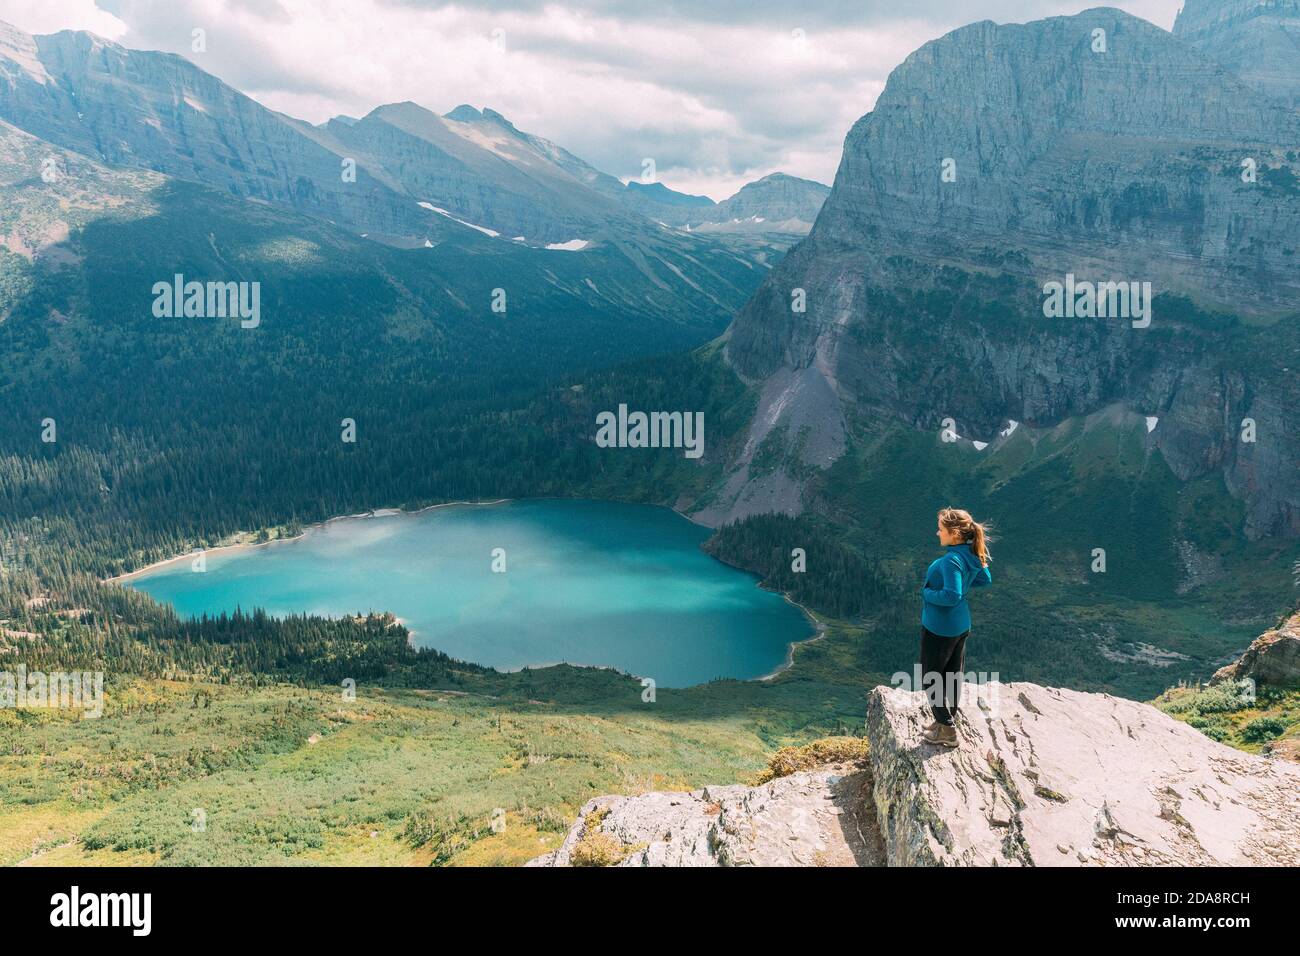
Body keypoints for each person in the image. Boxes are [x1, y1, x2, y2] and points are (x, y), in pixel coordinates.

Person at [919, 507, 992, 747]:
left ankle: (947, 730)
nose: (936, 532)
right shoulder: (969, 554)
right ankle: (944, 721)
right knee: (952, 676)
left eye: (940, 529)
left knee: (930, 677)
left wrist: (928, 594)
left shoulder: (952, 559)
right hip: (961, 626)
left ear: (954, 533)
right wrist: (971, 568)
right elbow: (985, 579)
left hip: (940, 628)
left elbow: (951, 595)